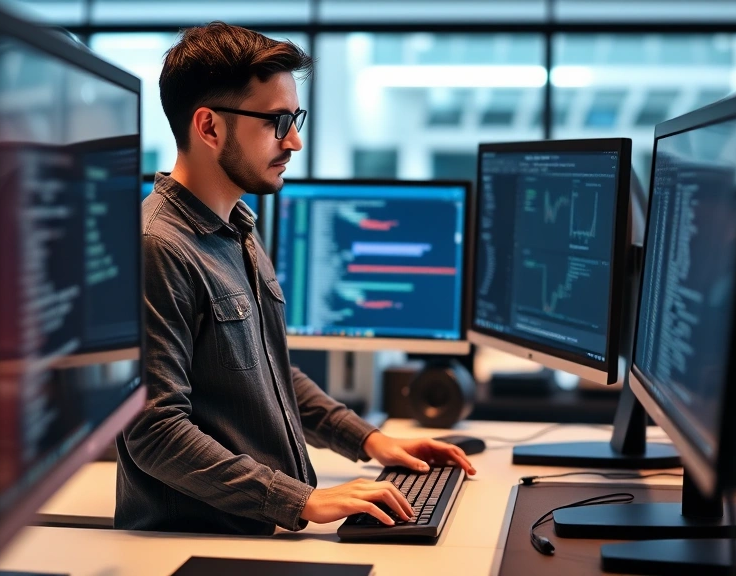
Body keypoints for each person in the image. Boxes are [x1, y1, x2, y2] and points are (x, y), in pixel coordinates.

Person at [115, 22, 476, 535]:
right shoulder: (159, 247)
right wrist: (303, 500)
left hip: (254, 533)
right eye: (277, 121)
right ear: (209, 127)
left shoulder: (236, 226)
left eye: (295, 118)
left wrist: (369, 441)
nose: (295, 140)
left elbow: (269, 373)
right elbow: (153, 431)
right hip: (195, 544)